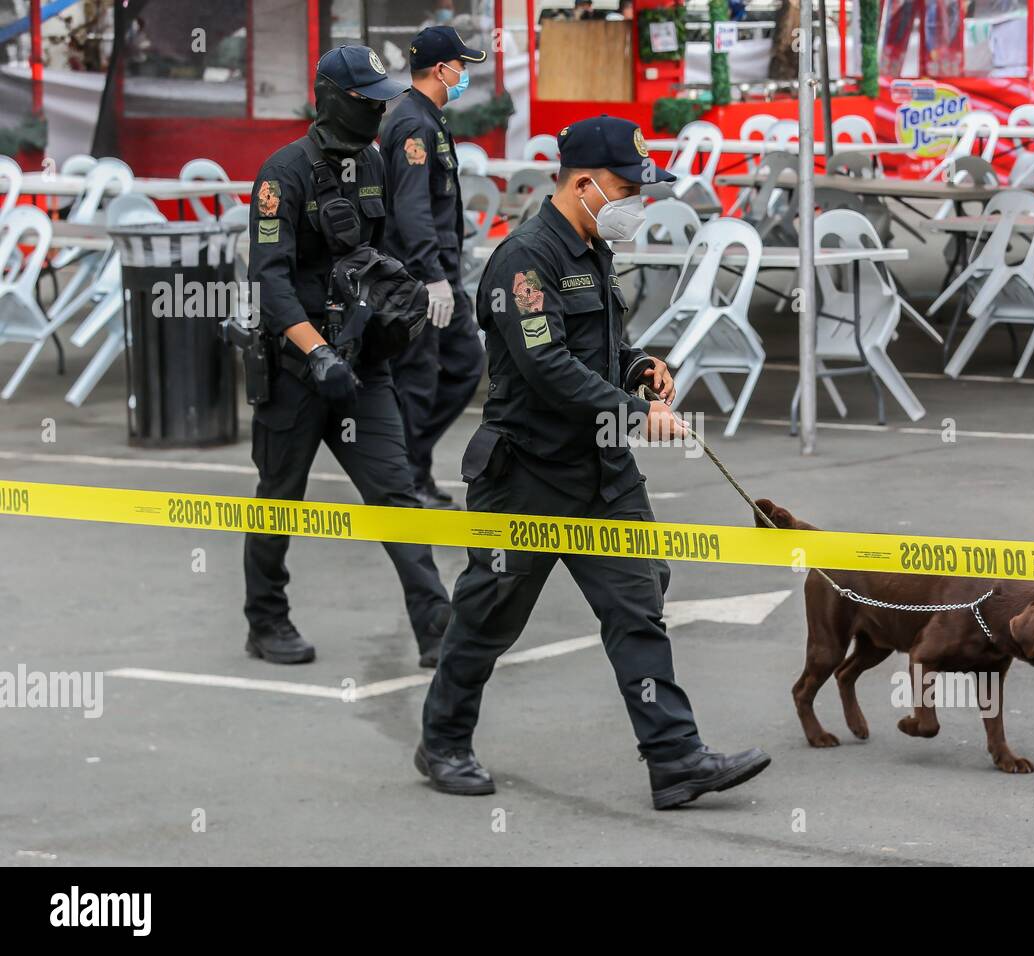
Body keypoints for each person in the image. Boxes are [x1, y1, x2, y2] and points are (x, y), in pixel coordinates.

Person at [414, 116, 771, 810]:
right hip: (527, 476)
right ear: (582, 183)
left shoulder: (589, 248)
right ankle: (444, 741)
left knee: (638, 606)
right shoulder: (524, 260)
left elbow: (602, 346)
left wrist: (640, 367)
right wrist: (639, 416)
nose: (637, 198)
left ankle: (674, 761)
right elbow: (547, 368)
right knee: (487, 618)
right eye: (626, 186)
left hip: (602, 474)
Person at [244, 46, 452, 668]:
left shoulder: (373, 163)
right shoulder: (282, 174)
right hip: (297, 370)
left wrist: (401, 316)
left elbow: (379, 258)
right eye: (368, 99)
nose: (380, 109)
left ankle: (438, 630)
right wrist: (315, 354)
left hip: (362, 366)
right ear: (334, 97)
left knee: (399, 498)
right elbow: (269, 280)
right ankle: (266, 620)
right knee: (280, 497)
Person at [381, 26, 486, 509]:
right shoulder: (413, 124)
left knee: (465, 364)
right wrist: (431, 277)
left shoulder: (426, 117)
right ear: (442, 69)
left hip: (436, 271)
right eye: (461, 67)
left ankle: (409, 461)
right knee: (418, 379)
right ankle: (406, 480)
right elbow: (412, 208)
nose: (463, 75)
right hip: (419, 276)